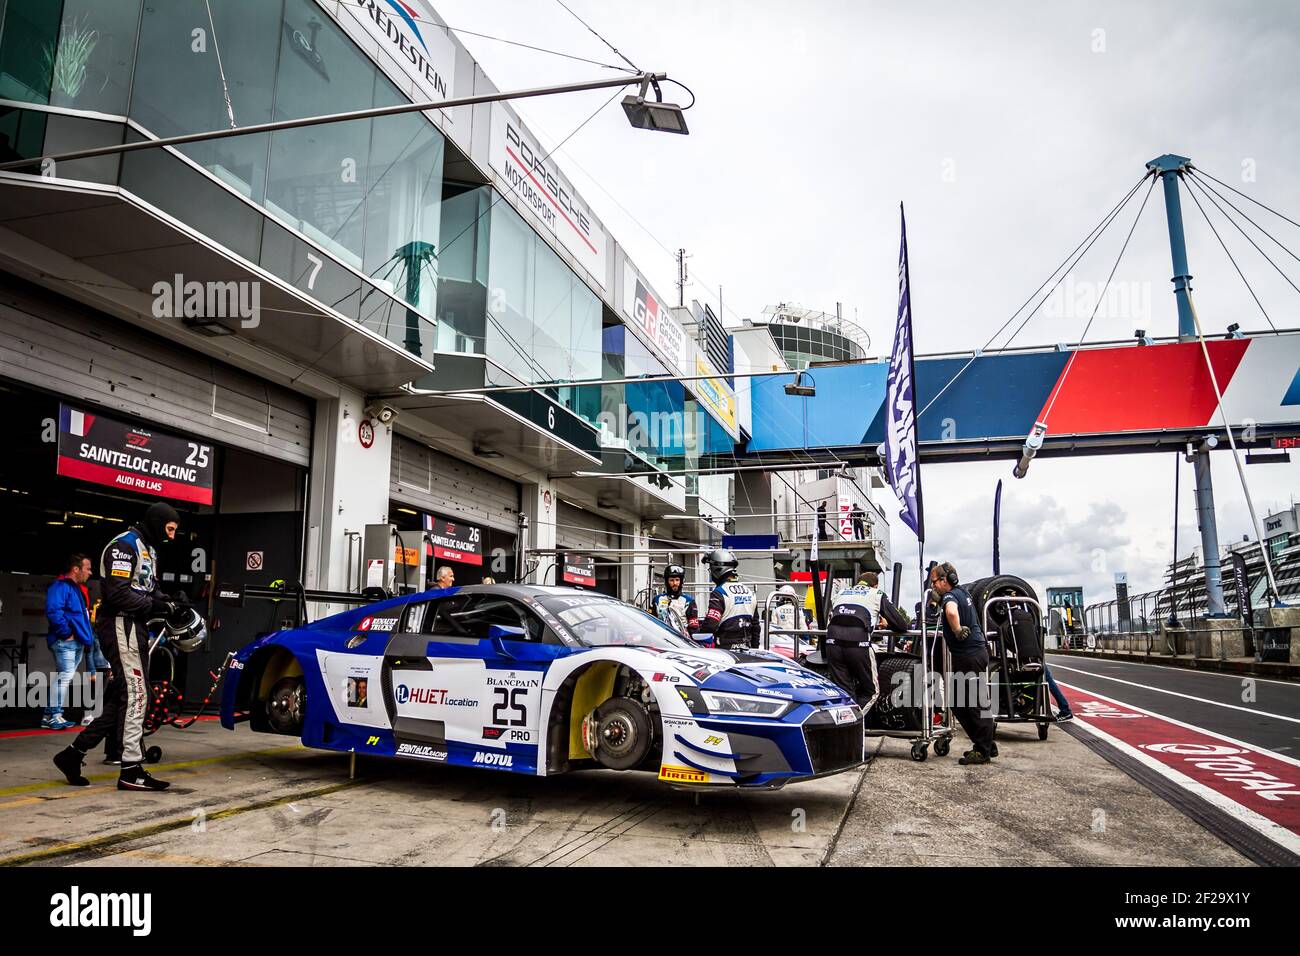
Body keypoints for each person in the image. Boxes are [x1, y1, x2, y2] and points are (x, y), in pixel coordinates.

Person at [54, 502, 181, 791]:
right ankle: (131, 769)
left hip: (134, 626)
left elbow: (148, 588)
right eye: (170, 529)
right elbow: (118, 594)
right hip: (120, 623)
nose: (172, 536)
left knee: (127, 696)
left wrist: (171, 600)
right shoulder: (123, 547)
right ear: (158, 522)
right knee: (137, 695)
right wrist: (156, 605)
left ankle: (73, 754)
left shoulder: (149, 549)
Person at [929, 561, 996, 766]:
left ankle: (983, 750)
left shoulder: (950, 596)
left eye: (935, 582)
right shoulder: (964, 592)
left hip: (969, 655)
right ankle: (987, 743)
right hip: (975, 654)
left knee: (973, 703)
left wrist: (957, 630)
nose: (933, 587)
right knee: (959, 702)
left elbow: (951, 612)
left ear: (945, 580)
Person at [42, 555, 96, 730]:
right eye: (87, 568)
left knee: (64, 677)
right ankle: (54, 715)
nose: (90, 572)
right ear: (76, 569)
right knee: (64, 677)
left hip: (75, 640)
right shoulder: (61, 586)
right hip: (67, 640)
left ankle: (49, 715)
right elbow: (53, 611)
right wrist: (66, 634)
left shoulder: (73, 587)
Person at [824, 579, 881, 711]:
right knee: (871, 692)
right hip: (858, 646)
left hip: (832, 644)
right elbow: (899, 623)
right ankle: (852, 721)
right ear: (875, 586)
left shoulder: (842, 592)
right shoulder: (876, 593)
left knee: (845, 692)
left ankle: (843, 726)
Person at [697, 548, 756, 650]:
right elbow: (756, 626)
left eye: (711, 569)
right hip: (748, 649)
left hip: (725, 651)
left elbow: (711, 625)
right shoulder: (749, 592)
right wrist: (755, 648)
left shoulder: (719, 592)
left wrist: (697, 635)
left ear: (717, 568)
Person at [653, 564, 699, 637]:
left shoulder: (689, 601)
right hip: (661, 638)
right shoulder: (657, 600)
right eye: (671, 580)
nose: (675, 583)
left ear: (681, 581)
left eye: (677, 580)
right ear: (666, 582)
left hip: (682, 640)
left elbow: (694, 628)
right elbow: (652, 623)